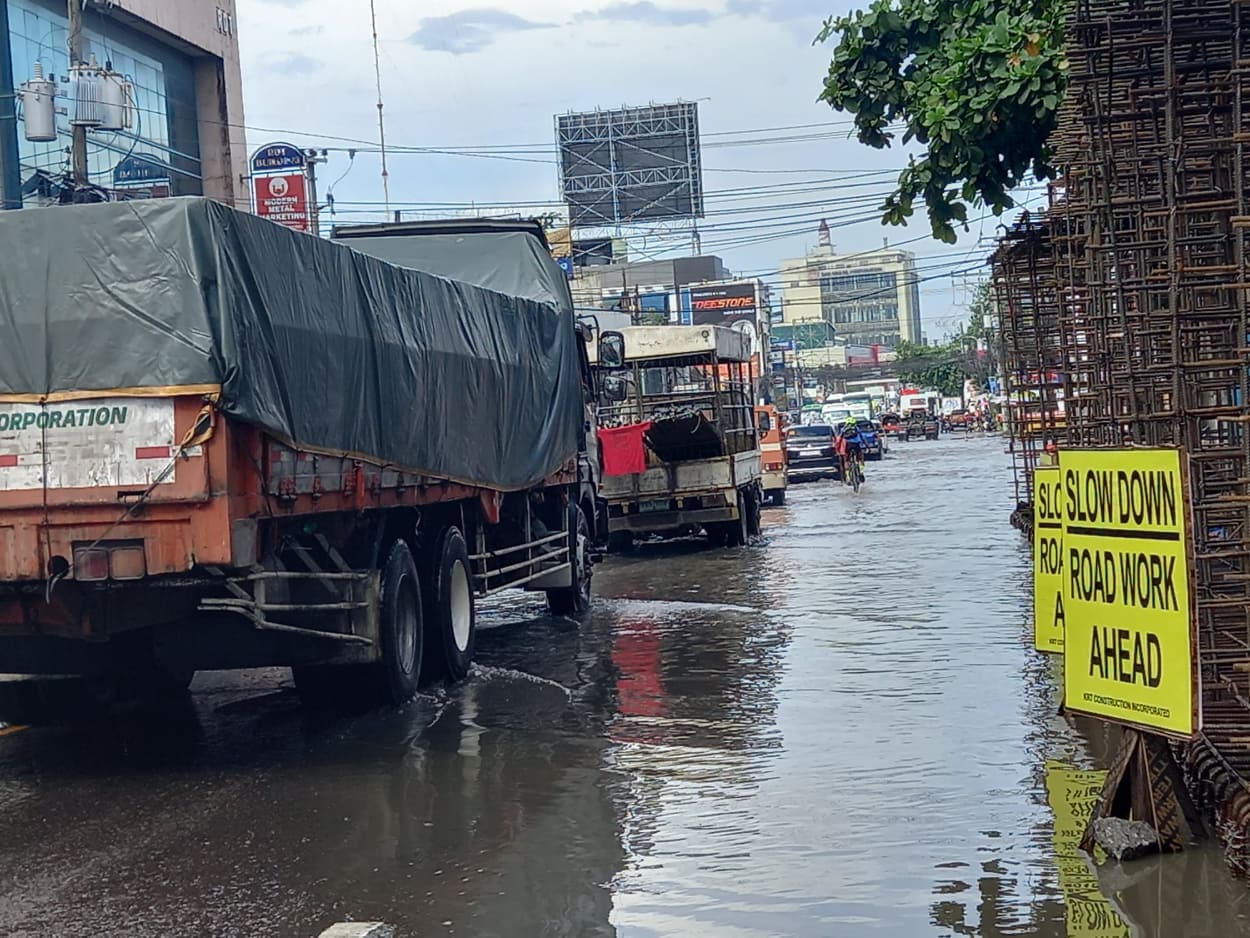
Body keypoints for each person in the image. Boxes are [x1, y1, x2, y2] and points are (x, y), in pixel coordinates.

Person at [838, 416, 865, 485]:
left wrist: (838, 448)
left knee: (846, 460)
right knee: (860, 457)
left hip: (848, 445)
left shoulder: (843, 429)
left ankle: (848, 477)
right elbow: (862, 437)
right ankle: (861, 471)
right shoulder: (856, 428)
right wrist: (867, 446)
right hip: (856, 445)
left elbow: (840, 439)